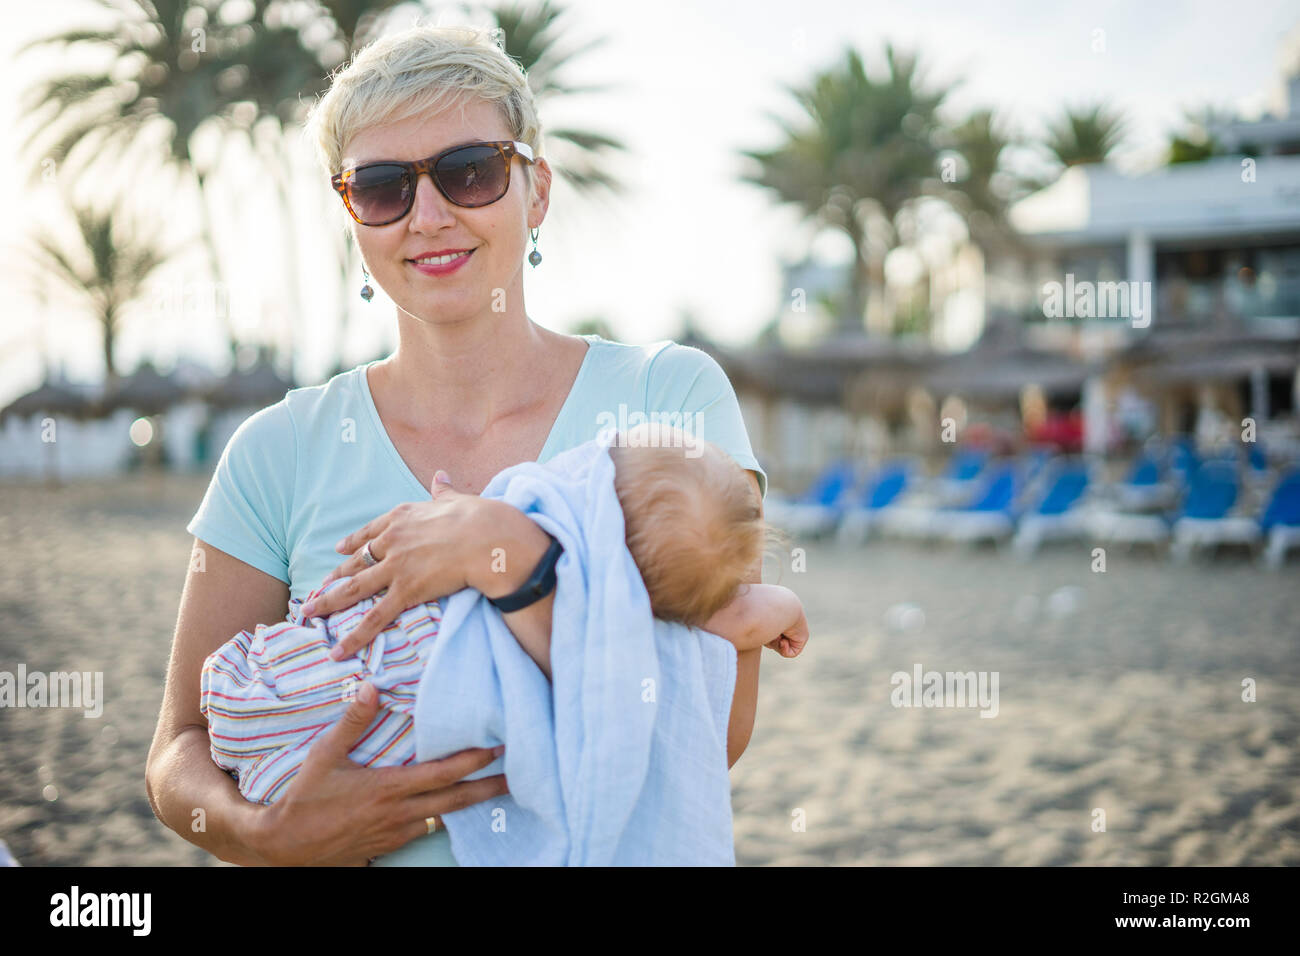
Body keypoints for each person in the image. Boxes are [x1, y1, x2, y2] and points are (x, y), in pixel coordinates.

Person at [145, 23, 782, 866]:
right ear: (352, 216)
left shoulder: (669, 398)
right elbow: (177, 751)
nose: (430, 216)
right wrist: (264, 834)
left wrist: (510, 559)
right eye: (381, 188)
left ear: (538, 189)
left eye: (470, 171)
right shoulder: (276, 452)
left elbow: (716, 731)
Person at [199, 429, 809, 853]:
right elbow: (722, 626)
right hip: (323, 736)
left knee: (346, 681)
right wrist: (777, 603)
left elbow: (708, 730)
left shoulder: (607, 603)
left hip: (350, 682)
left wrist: (491, 535)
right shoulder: (625, 632)